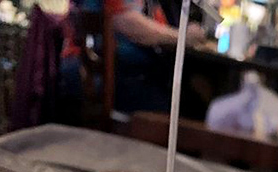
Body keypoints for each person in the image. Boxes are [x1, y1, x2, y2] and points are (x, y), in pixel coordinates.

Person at [62, 0, 206, 116]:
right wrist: (182, 37)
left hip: (125, 74)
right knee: (193, 107)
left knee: (195, 98)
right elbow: (124, 20)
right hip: (117, 78)